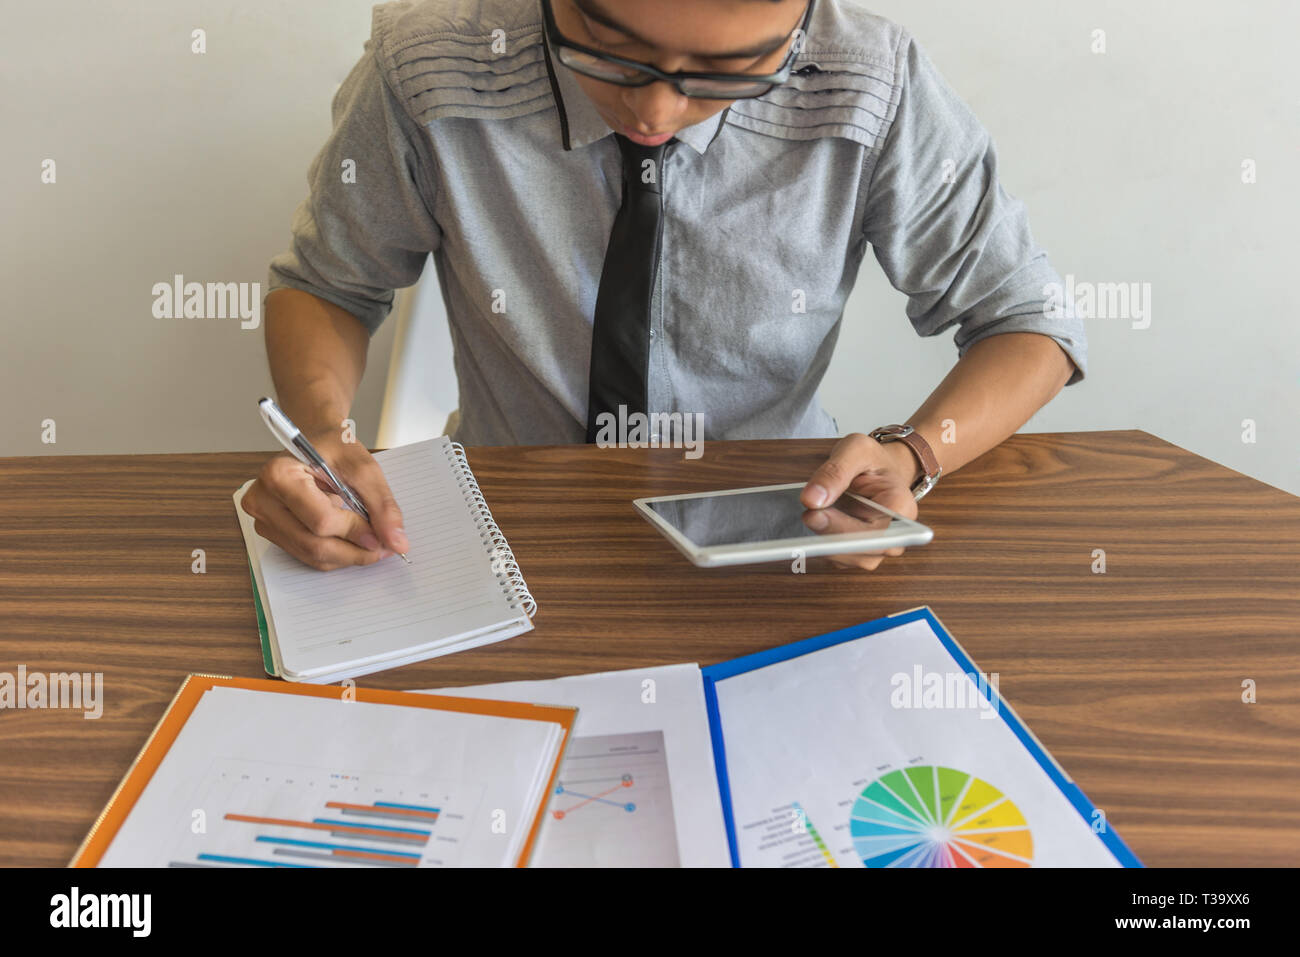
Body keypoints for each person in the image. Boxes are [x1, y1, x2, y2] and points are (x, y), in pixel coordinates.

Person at [242, 0, 1086, 571]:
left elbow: (1030, 322)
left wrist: (913, 454)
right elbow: (329, 285)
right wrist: (324, 444)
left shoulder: (869, 81)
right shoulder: (430, 65)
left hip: (784, 524)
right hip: (511, 527)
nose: (653, 109)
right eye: (607, 49)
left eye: (729, 70)